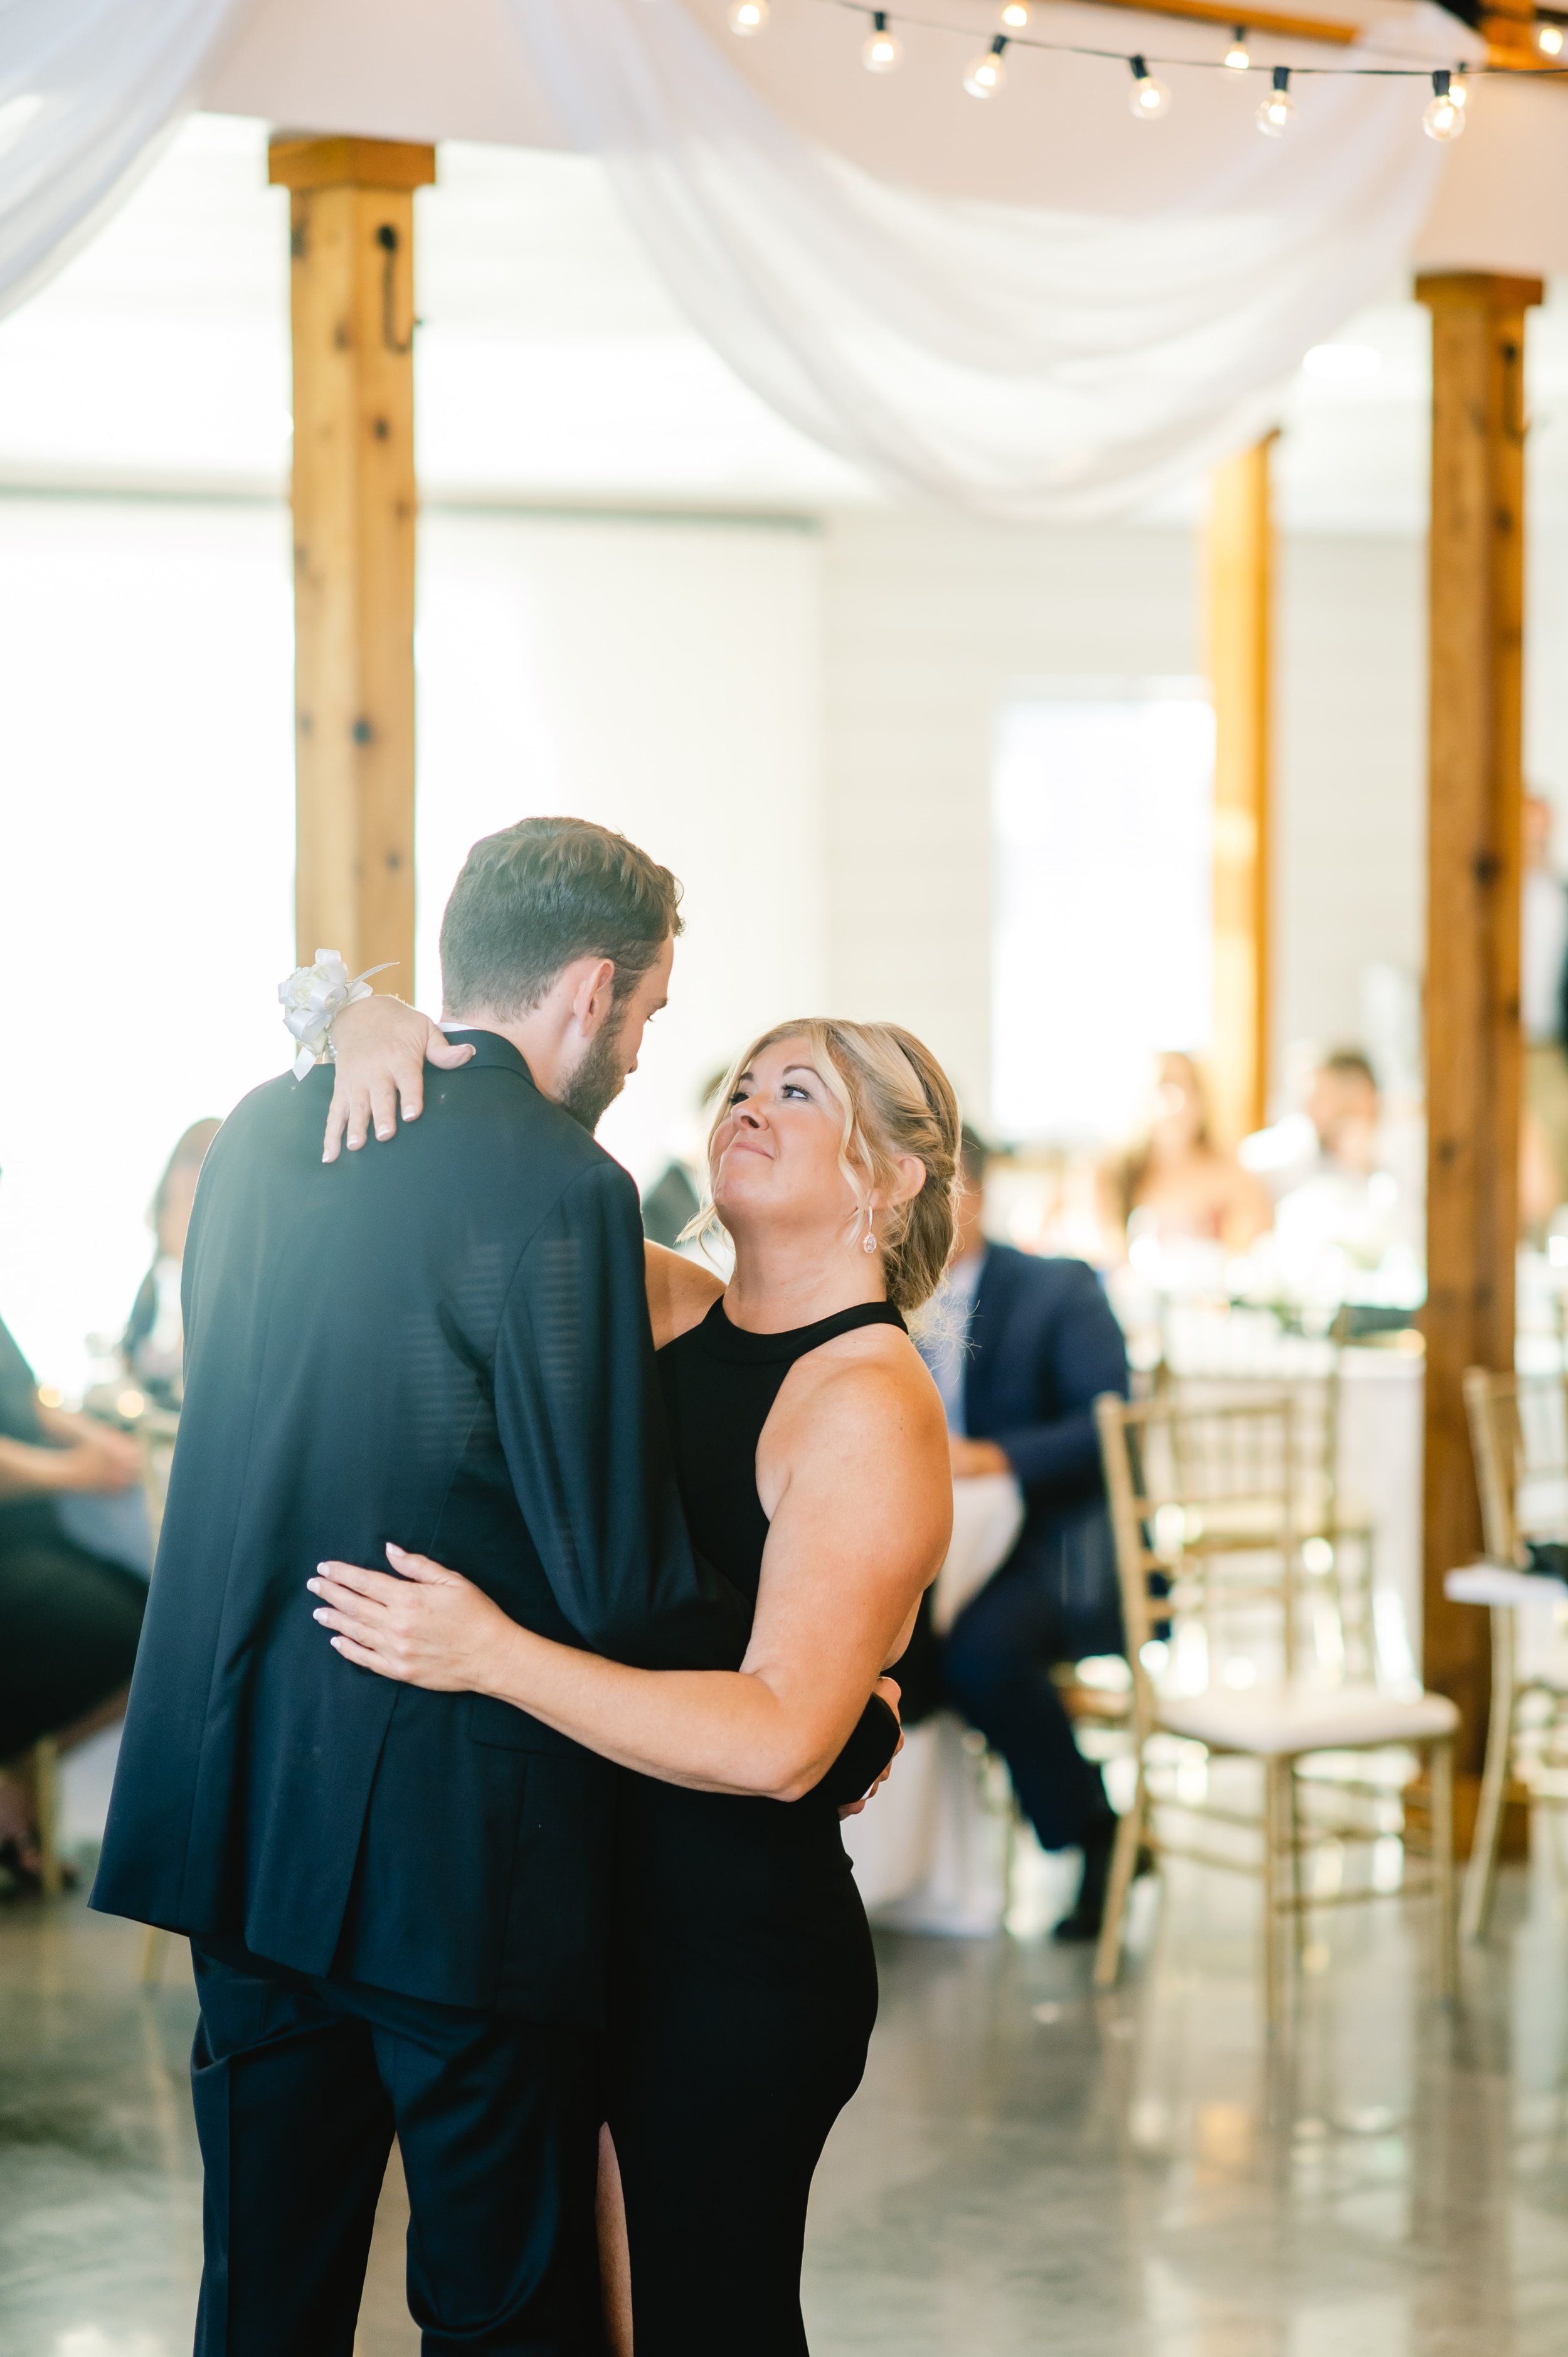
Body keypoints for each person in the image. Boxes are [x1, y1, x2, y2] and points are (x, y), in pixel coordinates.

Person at [91, 818, 906, 2357]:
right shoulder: (565, 1189)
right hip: (454, 1853)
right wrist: (819, 1707)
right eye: (655, 1016)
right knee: (500, 2304)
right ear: (591, 992)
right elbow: (606, 1570)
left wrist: (351, 1014)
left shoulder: (262, 1133)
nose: (648, 1052)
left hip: (244, 1811)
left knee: (259, 2294)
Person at [309, 1014, 955, 2357]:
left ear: (891, 1178)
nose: (747, 1106)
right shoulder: (665, 1304)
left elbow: (783, 1738)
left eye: (799, 1092)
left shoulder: (865, 1401)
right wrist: (367, 1024)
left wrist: (490, 1654)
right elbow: (493, 1185)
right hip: (601, 1923)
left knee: (703, 2328)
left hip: (735, 1955)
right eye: (739, 1084)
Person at [926, 1127, 1136, 1940]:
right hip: (930, 1539)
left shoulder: (1056, 1288)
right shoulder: (879, 1296)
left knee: (980, 1654)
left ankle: (1090, 1830)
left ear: (969, 1192)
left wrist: (990, 1458)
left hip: (1047, 1543)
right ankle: (911, 1870)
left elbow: (1106, 1424)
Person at [0, 1276, 147, 1887]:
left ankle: (16, 1780)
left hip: (35, 1536)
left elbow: (25, 1399)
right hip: (9, 1549)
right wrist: (71, 1470)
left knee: (159, 1632)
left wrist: (90, 1436)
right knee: (145, 1637)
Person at [1099, 1051, 1271, 1259]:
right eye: (1166, 1086)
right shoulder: (1119, 1173)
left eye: (1187, 1087)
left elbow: (1257, 1242)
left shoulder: (1229, 1170)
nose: (1178, 1101)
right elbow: (1105, 1251)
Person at [121, 1117, 221, 1403]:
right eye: (191, 1159)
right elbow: (132, 1356)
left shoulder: (227, 1281)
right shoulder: (156, 1278)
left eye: (207, 1161)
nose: (195, 1176)